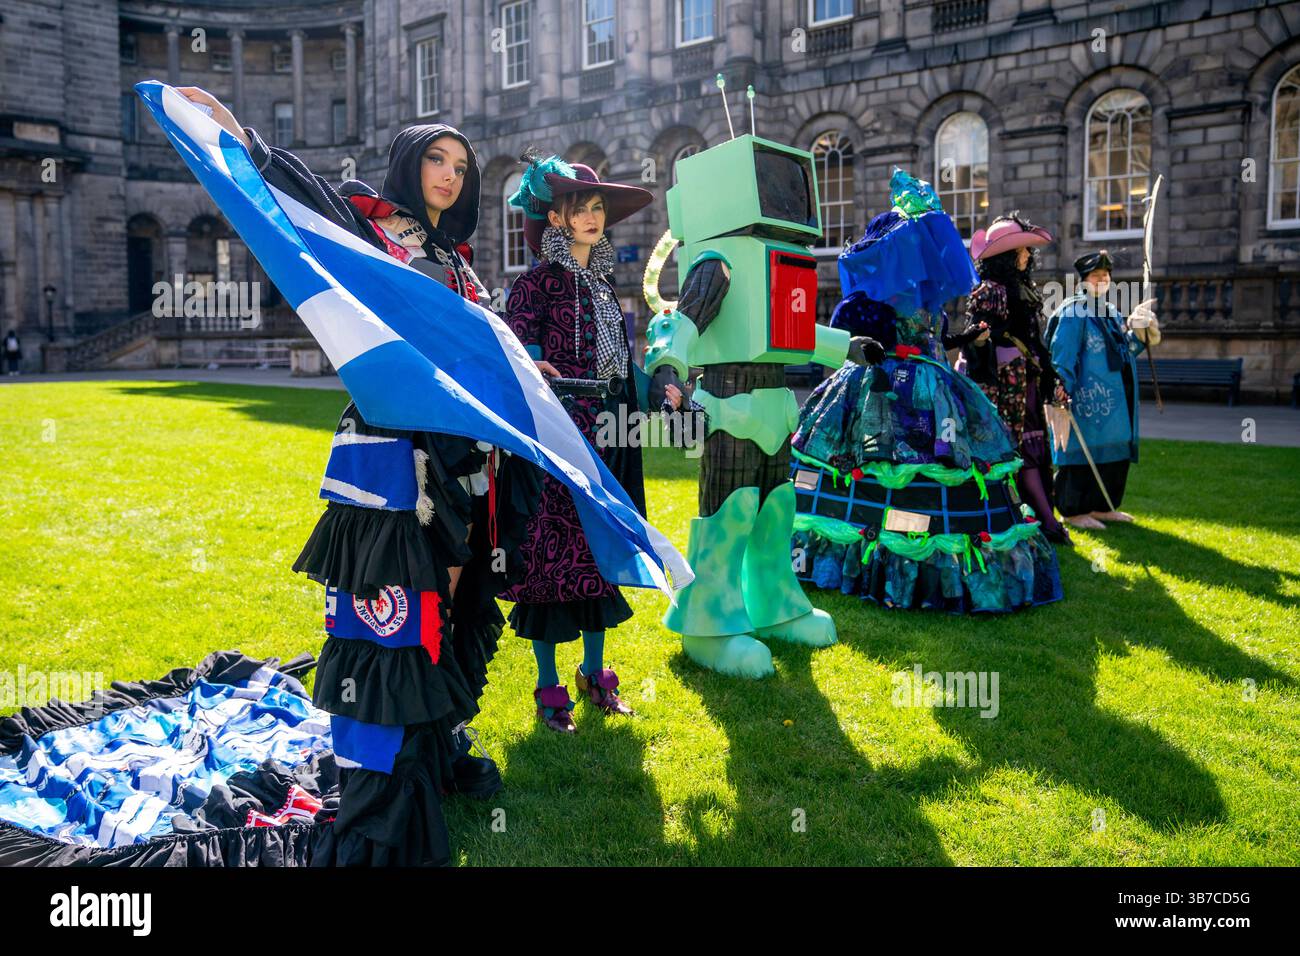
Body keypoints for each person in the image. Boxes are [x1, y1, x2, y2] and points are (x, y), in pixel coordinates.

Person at [176, 87, 539, 866]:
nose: (449, 174)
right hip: (390, 463)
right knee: (392, 623)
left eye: (462, 164)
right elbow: (303, 205)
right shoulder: (370, 231)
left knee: (454, 608)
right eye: (436, 159)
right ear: (409, 165)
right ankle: (379, 812)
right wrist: (245, 140)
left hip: (467, 464)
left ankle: (435, 753)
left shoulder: (461, 265)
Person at [499, 151, 653, 733]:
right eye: (579, 208)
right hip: (555, 437)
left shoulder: (607, 287)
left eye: (597, 208)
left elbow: (619, 364)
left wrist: (654, 390)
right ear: (556, 218)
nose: (592, 217)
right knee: (550, 559)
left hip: (608, 435)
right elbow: (516, 349)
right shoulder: (536, 283)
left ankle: (594, 674)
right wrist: (539, 368)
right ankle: (548, 687)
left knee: (597, 555)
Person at [959, 213, 1071, 544]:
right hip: (1002, 385)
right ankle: (1027, 520)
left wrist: (1050, 375)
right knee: (1009, 452)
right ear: (1006, 257)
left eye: (1027, 250)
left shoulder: (1021, 289)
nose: (1027, 256)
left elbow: (1034, 339)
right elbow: (978, 344)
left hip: (1026, 380)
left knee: (1031, 451)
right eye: (1021, 250)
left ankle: (1042, 519)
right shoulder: (990, 292)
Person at [1046, 250, 1160, 530]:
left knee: (1114, 454)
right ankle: (1073, 511)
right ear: (1083, 280)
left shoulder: (1110, 313)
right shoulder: (1072, 312)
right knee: (1079, 455)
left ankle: (1103, 506)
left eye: (1106, 276)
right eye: (1096, 276)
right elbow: (1062, 354)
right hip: (1084, 400)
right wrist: (1059, 391)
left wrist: (1140, 333)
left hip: (1116, 405)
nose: (1102, 280)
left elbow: (1124, 352)